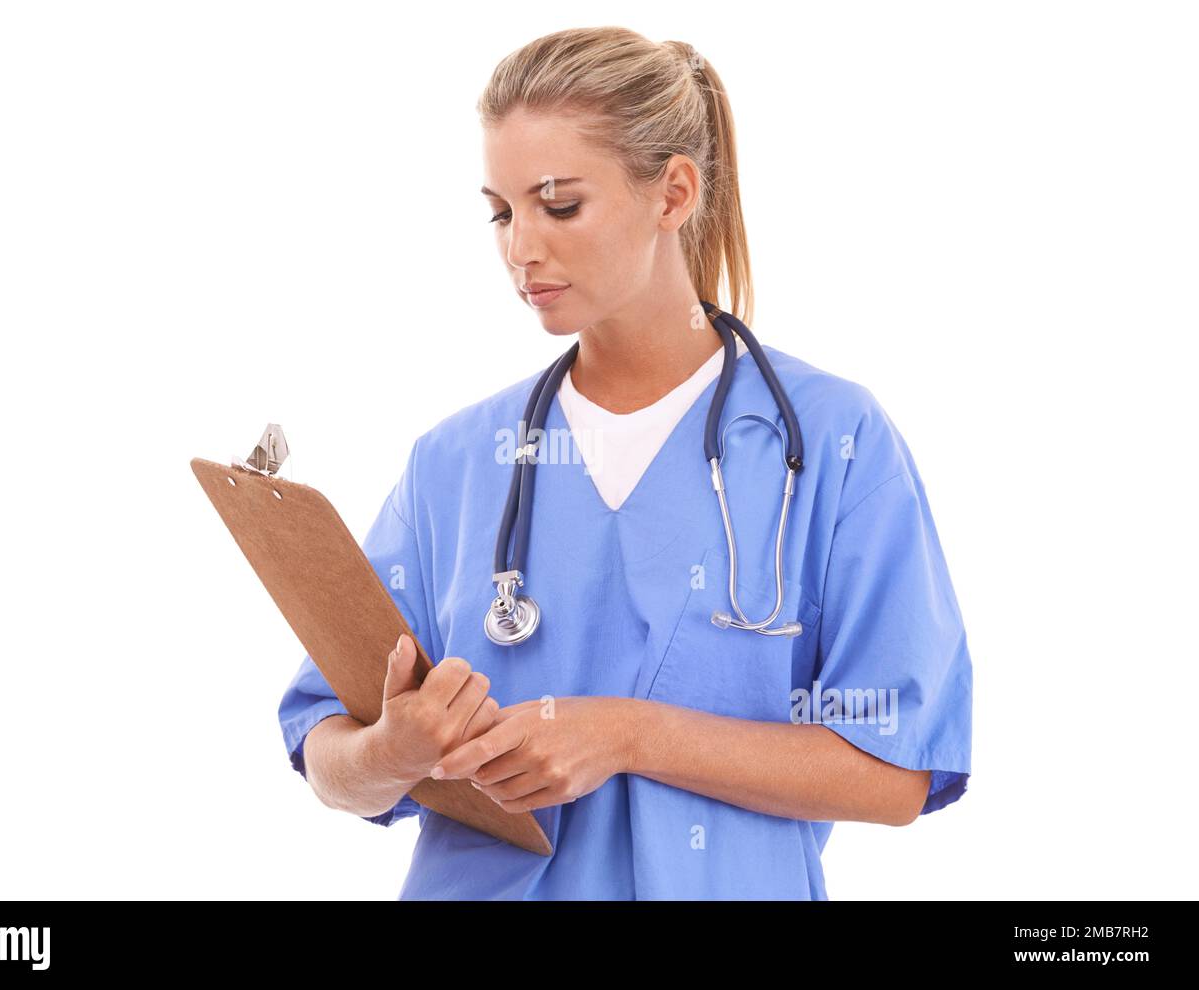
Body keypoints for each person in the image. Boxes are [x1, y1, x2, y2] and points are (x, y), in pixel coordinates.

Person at [277, 26, 973, 900]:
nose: (520, 247)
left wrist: (625, 735)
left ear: (673, 192)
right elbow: (328, 752)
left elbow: (896, 770)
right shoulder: (455, 464)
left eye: (559, 205)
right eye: (501, 211)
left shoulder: (833, 441)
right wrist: (390, 751)